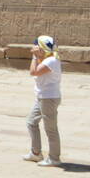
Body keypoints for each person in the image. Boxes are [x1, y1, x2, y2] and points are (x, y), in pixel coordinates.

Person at [25, 34, 63, 166]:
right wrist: (38, 56)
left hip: (48, 98)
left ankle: (54, 158)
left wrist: (35, 56)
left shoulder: (51, 60)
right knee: (31, 122)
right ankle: (36, 153)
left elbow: (33, 72)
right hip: (42, 97)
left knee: (50, 129)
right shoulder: (46, 59)